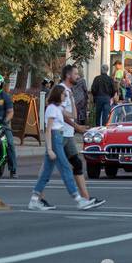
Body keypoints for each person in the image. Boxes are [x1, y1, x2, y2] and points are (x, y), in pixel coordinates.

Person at [29, 83, 102, 211]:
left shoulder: (59, 108)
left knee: (46, 172)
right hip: (55, 138)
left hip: (58, 136)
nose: (65, 97)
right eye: (64, 95)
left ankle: (34, 200)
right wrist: (50, 149)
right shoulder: (52, 108)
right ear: (58, 95)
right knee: (66, 168)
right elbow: (48, 130)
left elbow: (73, 115)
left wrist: (72, 99)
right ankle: (79, 200)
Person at [58, 65, 101, 204]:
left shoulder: (68, 91)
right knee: (51, 168)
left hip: (68, 135)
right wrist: (77, 127)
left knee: (77, 164)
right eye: (76, 74)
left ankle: (86, 198)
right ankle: (37, 197)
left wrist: (76, 126)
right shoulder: (61, 91)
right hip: (60, 134)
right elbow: (61, 113)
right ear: (68, 76)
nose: (78, 76)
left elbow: (72, 114)